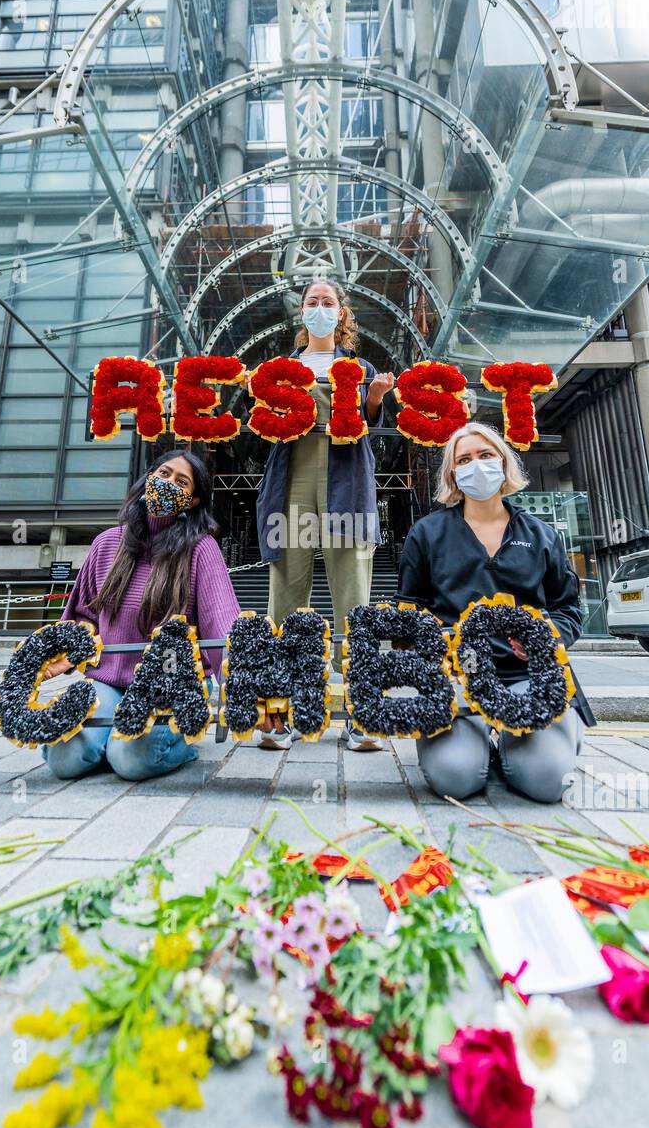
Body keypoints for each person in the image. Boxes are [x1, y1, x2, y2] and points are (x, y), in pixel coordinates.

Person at [396, 421, 594, 804]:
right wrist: (431, 647)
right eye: (464, 459)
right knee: (456, 778)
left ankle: (538, 739)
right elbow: (409, 612)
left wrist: (548, 634)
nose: (476, 465)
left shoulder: (541, 535)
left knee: (548, 781)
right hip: (456, 679)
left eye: (485, 455)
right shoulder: (426, 533)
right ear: (453, 474)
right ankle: (476, 744)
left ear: (504, 463)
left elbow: (568, 608)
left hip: (530, 677)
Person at [255, 277, 396, 752]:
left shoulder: (359, 366)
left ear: (342, 312)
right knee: (285, 595)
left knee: (353, 593)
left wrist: (375, 397)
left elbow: (371, 422)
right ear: (302, 312)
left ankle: (362, 716)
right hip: (292, 474)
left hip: (345, 477)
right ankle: (279, 715)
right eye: (311, 301)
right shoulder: (281, 368)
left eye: (327, 301)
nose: (319, 307)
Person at [40, 450, 240, 782]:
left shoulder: (201, 549)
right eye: (162, 474)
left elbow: (222, 624)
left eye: (181, 481)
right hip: (108, 680)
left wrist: (241, 689)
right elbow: (84, 615)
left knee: (131, 759)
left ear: (192, 501)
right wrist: (69, 650)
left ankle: (182, 743)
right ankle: (108, 741)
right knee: (64, 757)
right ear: (148, 479)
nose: (167, 484)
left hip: (172, 684)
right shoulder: (106, 544)